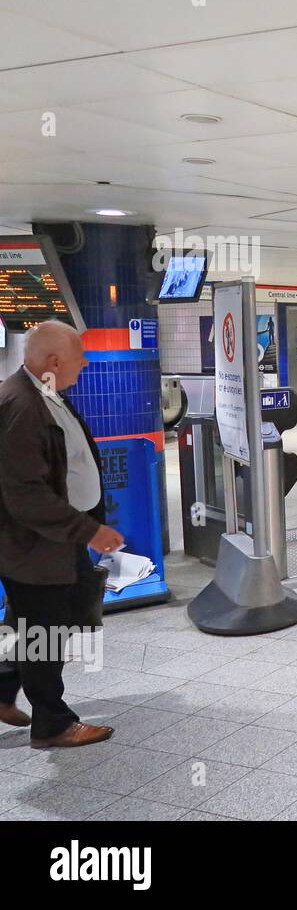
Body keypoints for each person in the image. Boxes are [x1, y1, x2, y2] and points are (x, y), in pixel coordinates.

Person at [0, 320, 121, 749]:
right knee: (44, 630)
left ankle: (2, 687)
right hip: (36, 544)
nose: (84, 364)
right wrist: (89, 530)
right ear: (53, 360)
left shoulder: (43, 394)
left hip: (54, 541)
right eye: (78, 357)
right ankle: (52, 723)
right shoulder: (22, 407)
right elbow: (26, 497)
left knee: (42, 615)